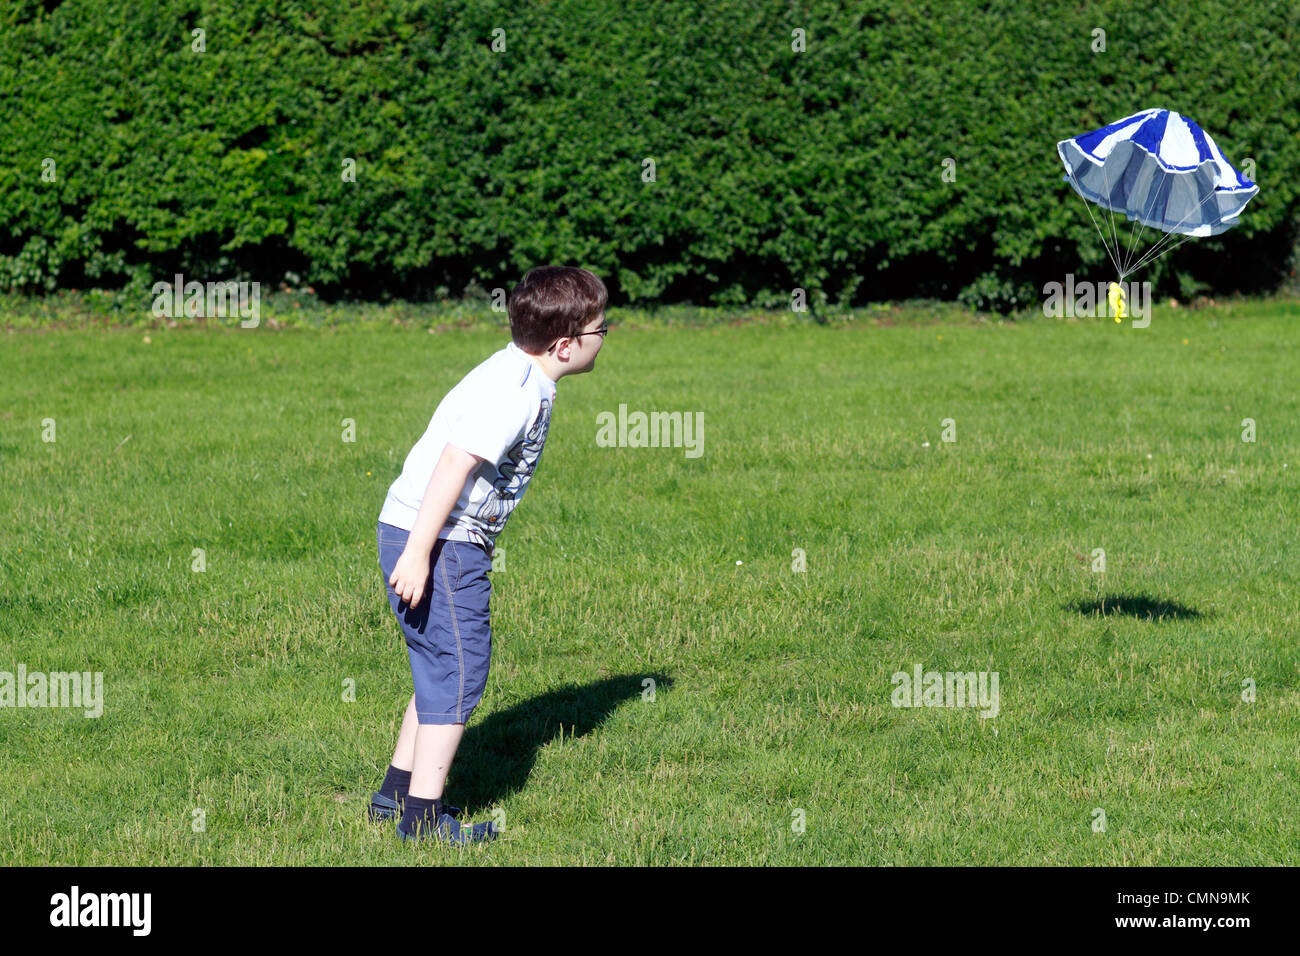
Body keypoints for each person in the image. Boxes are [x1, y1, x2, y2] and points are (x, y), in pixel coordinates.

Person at [371, 265, 609, 844]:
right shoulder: (515, 392)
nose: (606, 337)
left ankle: (394, 795)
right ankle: (422, 821)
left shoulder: (515, 370)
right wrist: (422, 552)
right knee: (458, 673)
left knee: (437, 668)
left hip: (421, 533)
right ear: (565, 344)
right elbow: (457, 462)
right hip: (442, 542)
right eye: (602, 329)